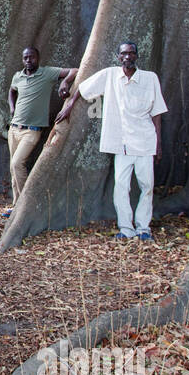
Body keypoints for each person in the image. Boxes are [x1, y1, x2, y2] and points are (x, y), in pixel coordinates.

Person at [55, 42, 167, 241]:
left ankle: (143, 228)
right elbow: (83, 88)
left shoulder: (150, 79)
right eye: (124, 53)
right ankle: (126, 228)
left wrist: (158, 145)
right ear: (118, 57)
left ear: (137, 56)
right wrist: (69, 106)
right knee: (121, 187)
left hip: (145, 141)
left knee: (147, 186)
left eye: (131, 53)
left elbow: (157, 113)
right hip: (122, 144)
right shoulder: (110, 75)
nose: (128, 57)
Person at [6, 46, 73, 207]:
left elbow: (75, 71)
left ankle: (24, 206)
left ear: (38, 58)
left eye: (32, 57)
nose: (29, 60)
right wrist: (12, 107)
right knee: (13, 168)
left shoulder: (47, 73)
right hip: (14, 128)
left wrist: (64, 82)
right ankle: (16, 206)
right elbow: (12, 91)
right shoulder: (18, 76)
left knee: (17, 163)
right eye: (26, 58)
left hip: (31, 131)